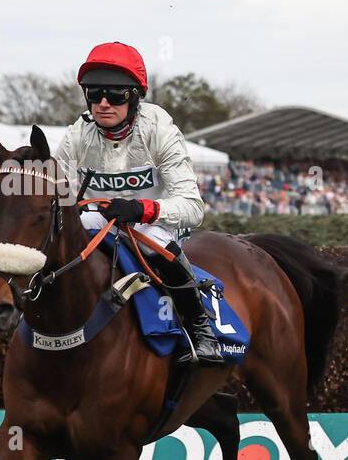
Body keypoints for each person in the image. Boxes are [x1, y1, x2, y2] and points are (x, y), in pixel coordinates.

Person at [55, 41, 223, 365]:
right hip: (97, 219)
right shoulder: (76, 134)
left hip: (153, 223)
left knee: (160, 248)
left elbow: (193, 208)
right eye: (93, 94)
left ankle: (202, 332)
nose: (103, 103)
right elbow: (56, 193)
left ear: (134, 96)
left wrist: (144, 209)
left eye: (115, 95)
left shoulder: (160, 130)